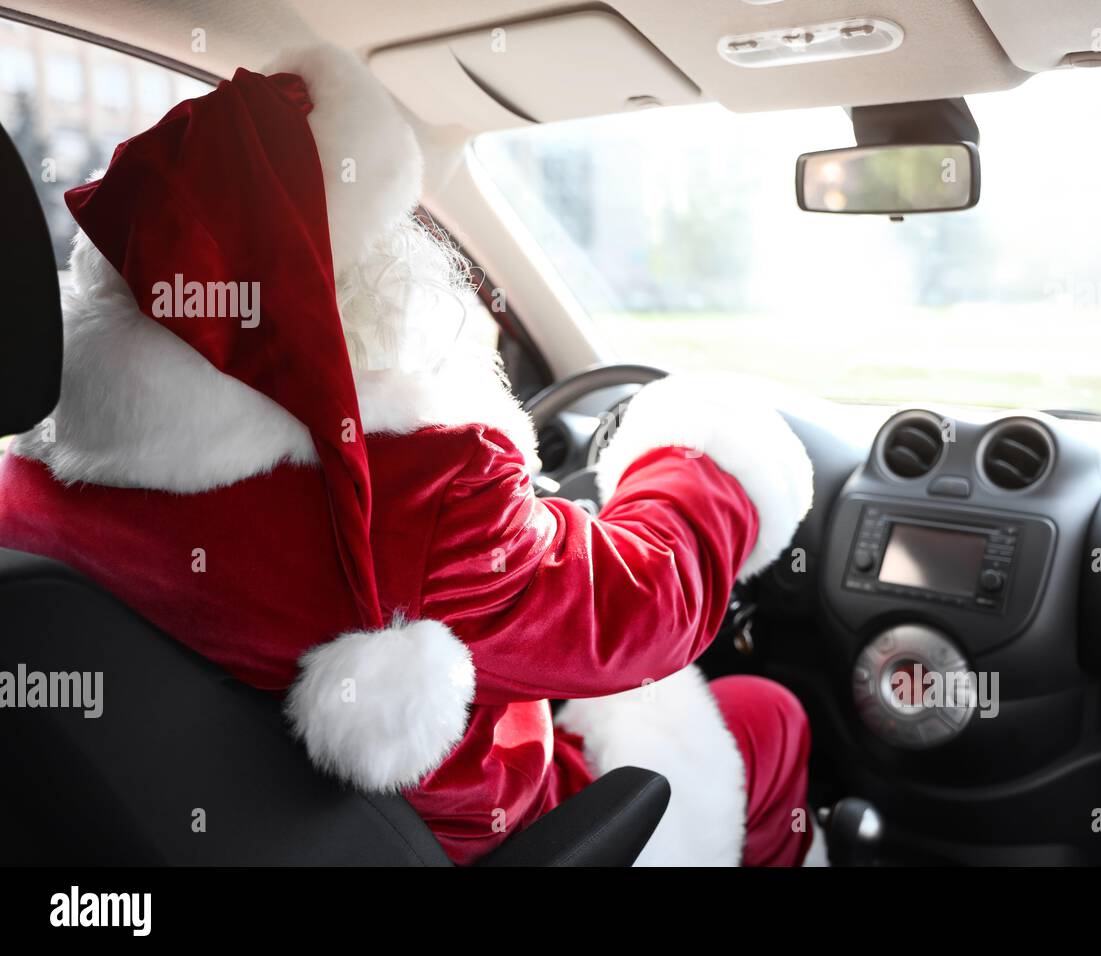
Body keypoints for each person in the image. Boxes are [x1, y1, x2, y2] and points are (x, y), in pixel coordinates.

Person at [0, 45, 819, 866]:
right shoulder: (412, 485)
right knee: (765, 715)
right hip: (482, 835)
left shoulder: (30, 479)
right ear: (346, 272)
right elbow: (643, 613)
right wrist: (708, 460)